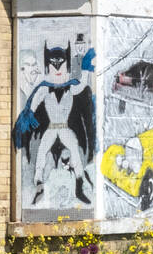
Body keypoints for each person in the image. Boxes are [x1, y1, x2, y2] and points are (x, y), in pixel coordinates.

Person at [14, 42, 96, 208]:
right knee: (41, 153)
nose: (57, 69)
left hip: (65, 128)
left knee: (75, 152)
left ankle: (79, 187)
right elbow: (33, 103)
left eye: (61, 65)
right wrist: (27, 114)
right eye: (53, 65)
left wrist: (86, 68)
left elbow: (81, 85)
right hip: (51, 129)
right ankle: (39, 185)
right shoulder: (44, 88)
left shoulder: (71, 87)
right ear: (48, 67)